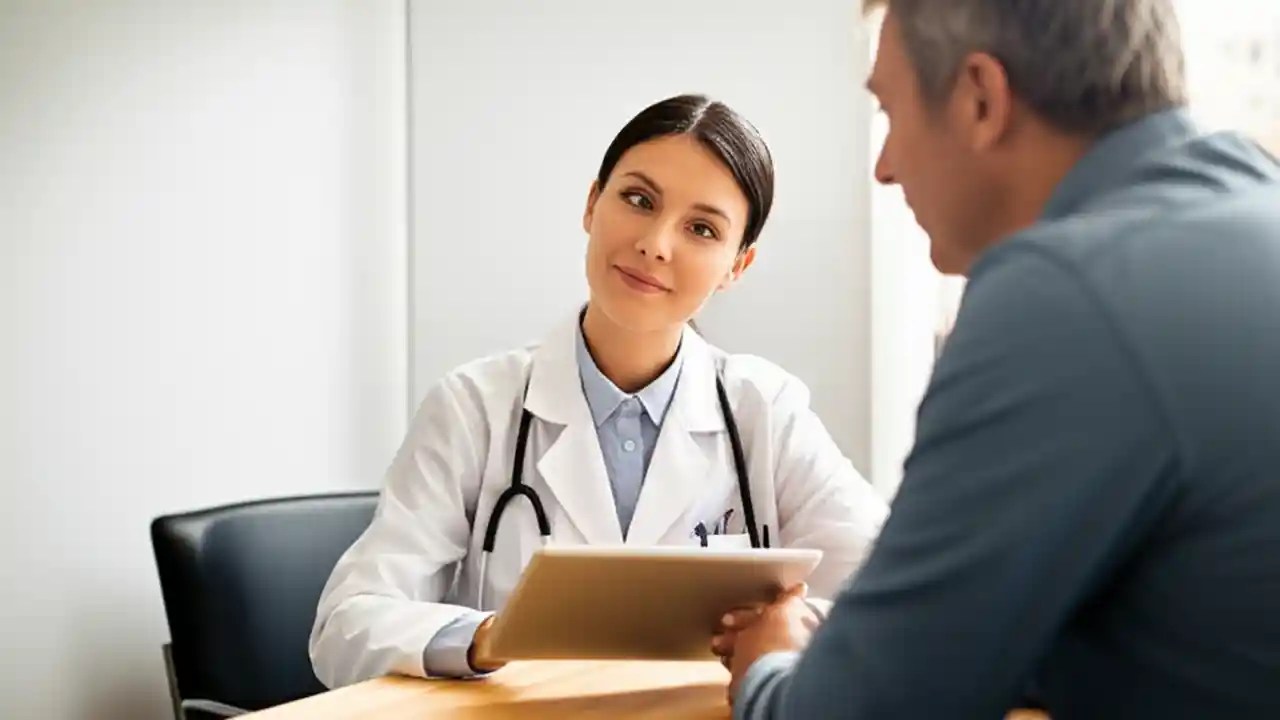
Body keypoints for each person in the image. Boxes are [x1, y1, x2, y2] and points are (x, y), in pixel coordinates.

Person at [717, 1, 1280, 718]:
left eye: (889, 112)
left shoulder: (1067, 292)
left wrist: (768, 664)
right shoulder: (1251, 211)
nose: (885, 169)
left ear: (980, 100)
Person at [309, 94, 889, 689]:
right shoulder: (474, 408)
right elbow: (346, 624)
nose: (656, 244)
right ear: (592, 204)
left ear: (737, 266)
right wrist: (490, 637)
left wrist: (785, 621)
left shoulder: (765, 411)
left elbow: (894, 591)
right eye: (639, 200)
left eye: (701, 229)